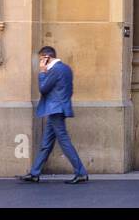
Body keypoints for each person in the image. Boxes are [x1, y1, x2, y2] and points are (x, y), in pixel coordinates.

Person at [19, 46, 88, 184]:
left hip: (55, 109)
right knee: (46, 143)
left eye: (41, 59)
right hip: (57, 109)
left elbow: (43, 89)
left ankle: (81, 172)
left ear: (47, 58)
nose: (40, 62)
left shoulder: (54, 70)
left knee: (64, 141)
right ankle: (34, 173)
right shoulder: (66, 68)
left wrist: (43, 72)